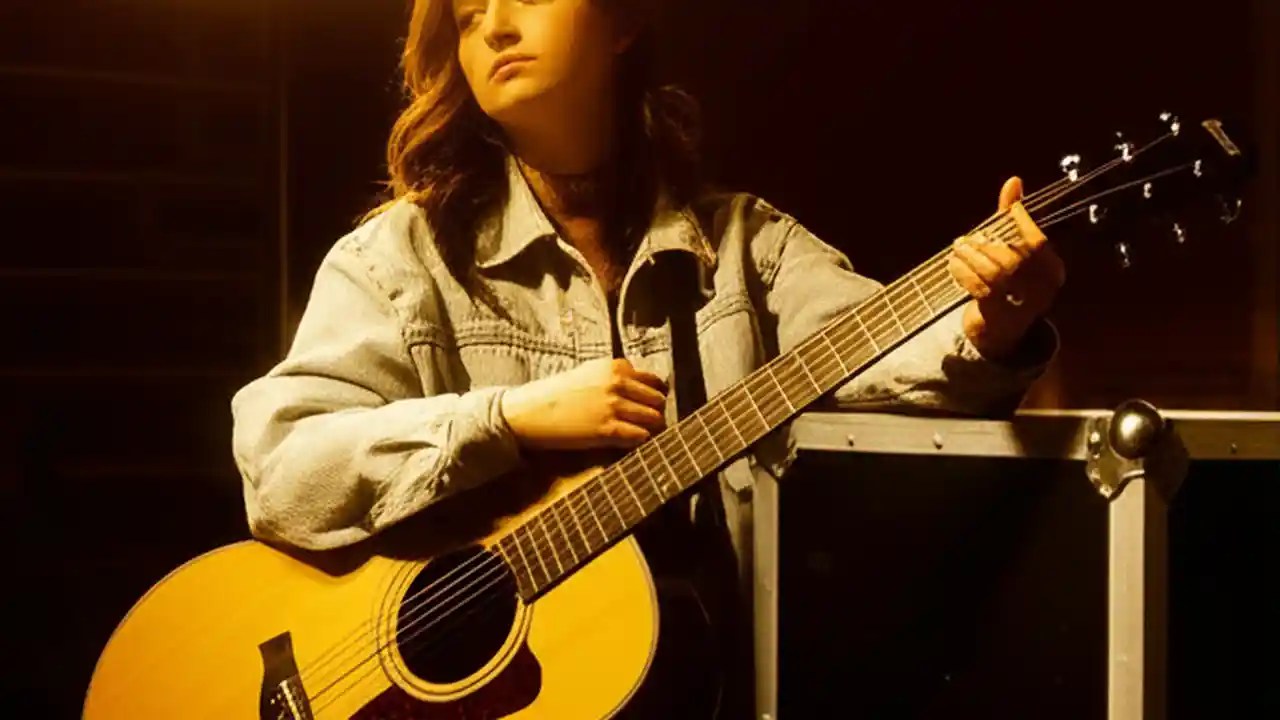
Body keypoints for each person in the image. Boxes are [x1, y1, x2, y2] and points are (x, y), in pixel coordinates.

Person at [230, 0, 1066, 716]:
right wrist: (507, 420)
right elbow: (280, 468)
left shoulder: (747, 248)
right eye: (468, 14)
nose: (493, 28)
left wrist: (992, 324)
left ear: (623, 20)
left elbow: (891, 355)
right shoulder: (399, 260)